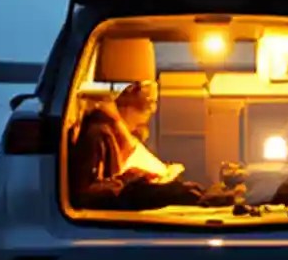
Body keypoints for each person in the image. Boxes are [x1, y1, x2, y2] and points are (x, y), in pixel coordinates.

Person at [68, 81, 204, 209]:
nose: (138, 132)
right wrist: (130, 183)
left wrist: (137, 177)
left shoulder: (114, 136)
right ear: (126, 106)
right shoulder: (98, 135)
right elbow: (85, 195)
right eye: (138, 125)